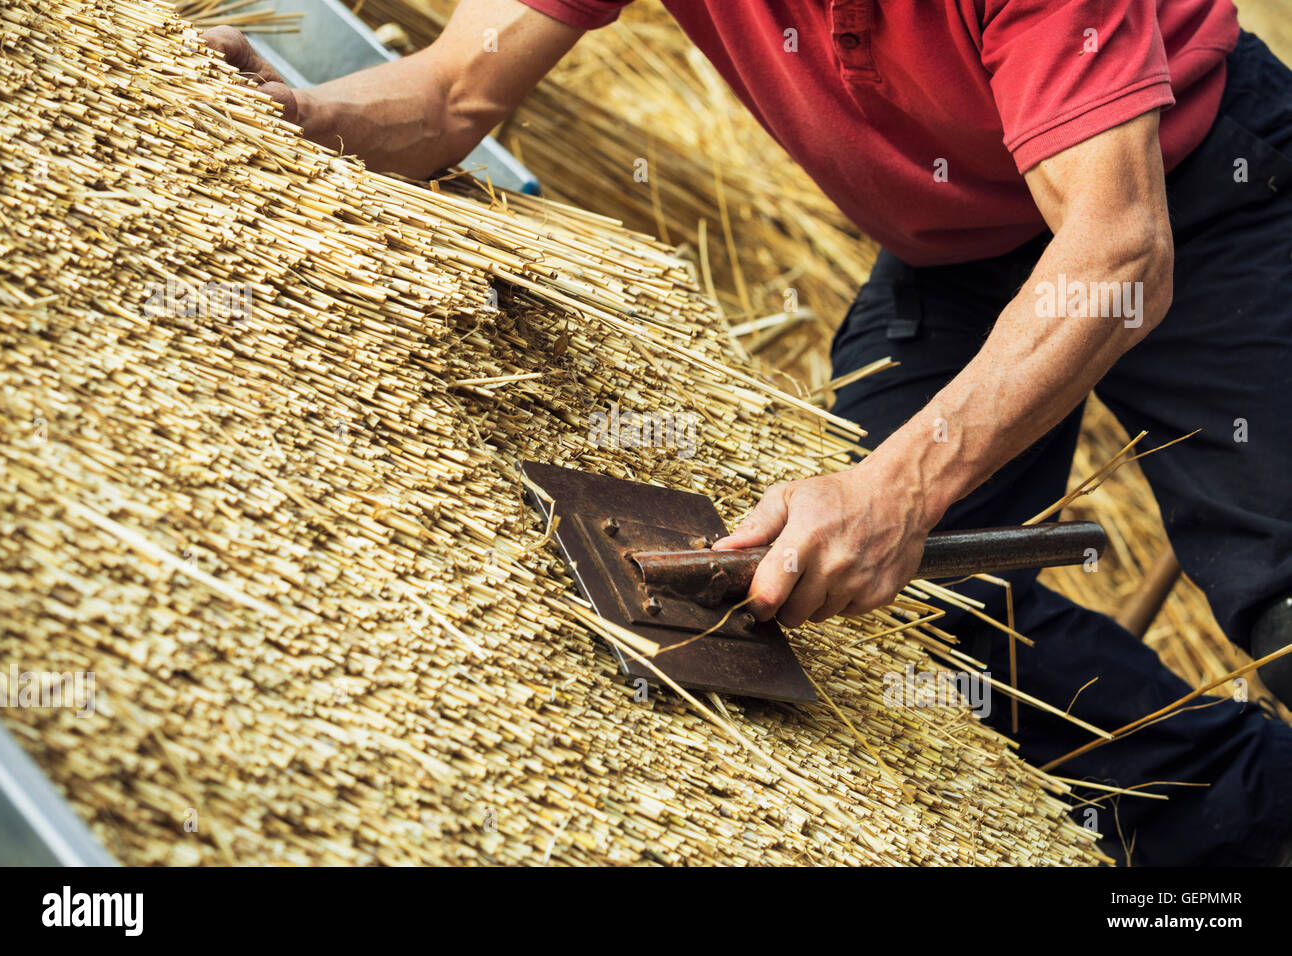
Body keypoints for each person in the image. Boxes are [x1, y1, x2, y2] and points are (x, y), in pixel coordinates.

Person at [204, 0, 1292, 865]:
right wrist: (302, 122)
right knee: (897, 614)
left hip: (1195, 192)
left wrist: (900, 493)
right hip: (958, 245)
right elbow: (450, 91)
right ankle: (1250, 812)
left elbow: (1112, 252)